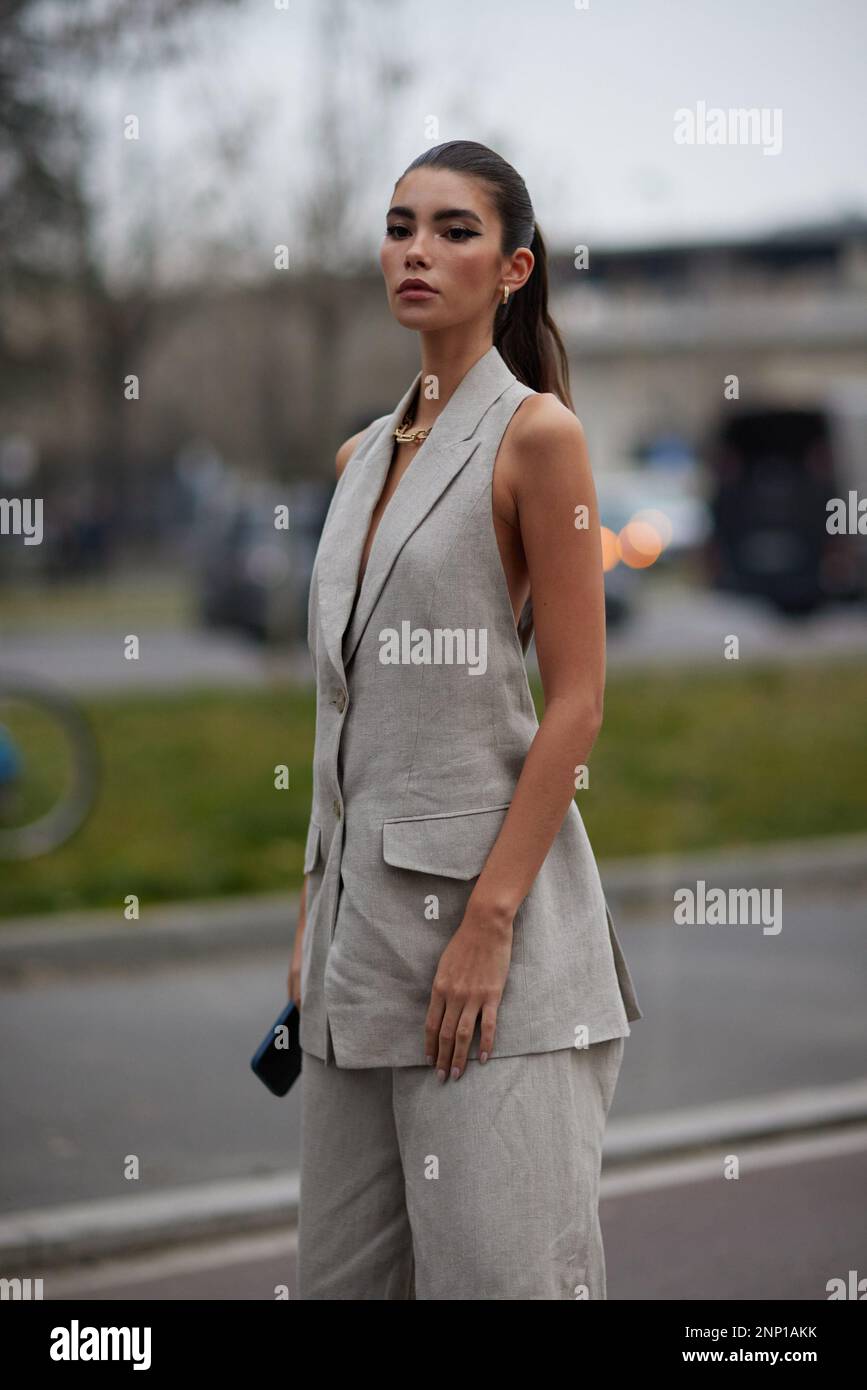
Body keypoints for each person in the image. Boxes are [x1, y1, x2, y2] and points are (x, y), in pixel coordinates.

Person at [288, 139, 642, 1301]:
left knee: (502, 1283)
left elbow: (579, 702)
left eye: (453, 230)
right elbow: (343, 719)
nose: (417, 251)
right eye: (400, 226)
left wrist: (488, 924)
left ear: (512, 267)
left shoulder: (540, 436)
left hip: (493, 955)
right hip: (354, 957)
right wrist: (308, 924)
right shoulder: (353, 461)